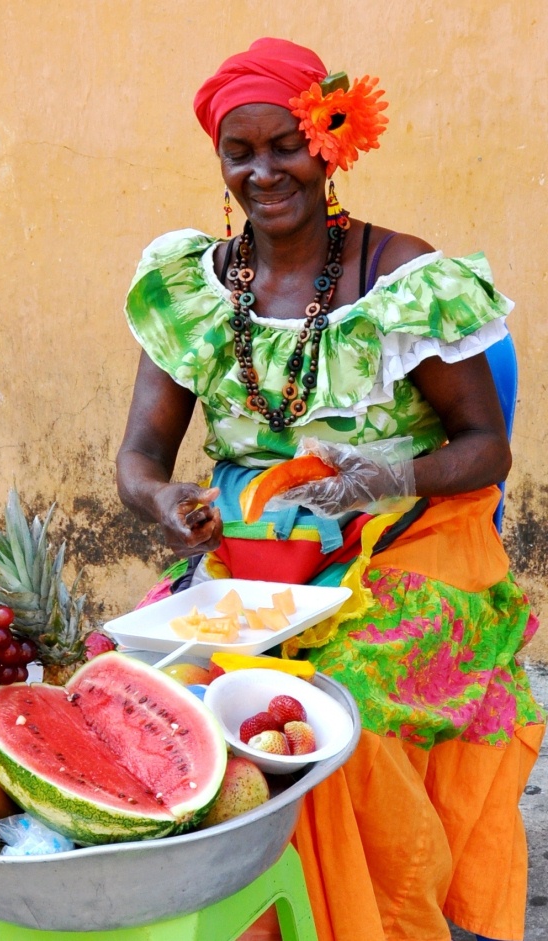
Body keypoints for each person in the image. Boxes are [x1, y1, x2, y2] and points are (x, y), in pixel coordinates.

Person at [115, 37, 546, 941]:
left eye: (285, 145)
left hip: (414, 537)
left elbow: (486, 447)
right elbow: (139, 460)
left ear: (329, 144)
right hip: (253, 557)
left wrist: (392, 476)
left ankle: (369, 918)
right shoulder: (195, 288)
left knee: (332, 701)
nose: (264, 171)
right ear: (220, 162)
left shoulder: (402, 278)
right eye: (242, 152)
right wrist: (165, 502)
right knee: (145, 683)